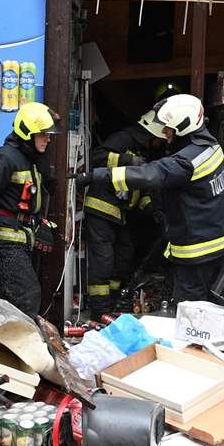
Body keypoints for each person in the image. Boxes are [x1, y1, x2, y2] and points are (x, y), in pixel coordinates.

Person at [74, 94, 224, 305]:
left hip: (196, 253)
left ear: (183, 126)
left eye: (168, 127)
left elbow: (151, 175)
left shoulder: (188, 161)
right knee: (207, 307)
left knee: (191, 313)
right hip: (213, 247)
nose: (164, 132)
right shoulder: (212, 148)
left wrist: (97, 176)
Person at [0, 101, 60, 317]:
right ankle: (19, 347)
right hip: (6, 241)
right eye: (43, 134)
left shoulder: (32, 158)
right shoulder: (7, 158)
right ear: (27, 133)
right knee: (26, 296)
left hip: (24, 238)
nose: (48, 139)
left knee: (24, 299)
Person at [83, 105, 165, 318]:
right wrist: (128, 162)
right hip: (102, 209)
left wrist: (154, 212)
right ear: (152, 133)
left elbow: (139, 189)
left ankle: (111, 301)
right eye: (160, 138)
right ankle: (99, 311)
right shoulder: (125, 138)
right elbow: (98, 157)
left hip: (119, 214)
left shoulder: (144, 149)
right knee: (104, 260)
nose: (161, 143)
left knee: (124, 255)